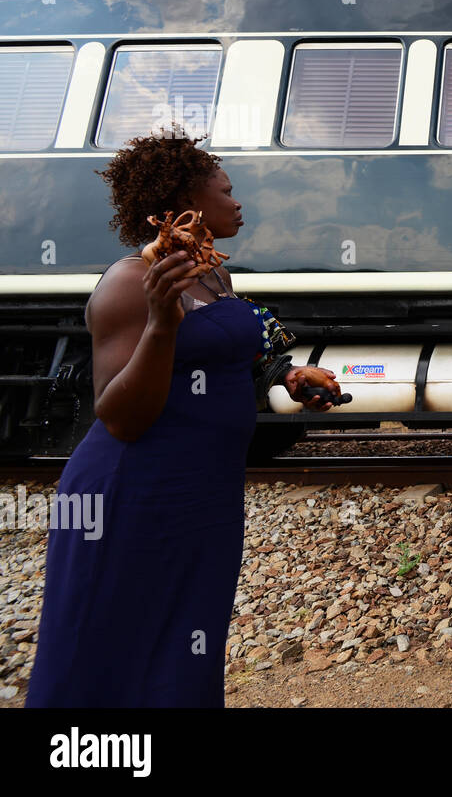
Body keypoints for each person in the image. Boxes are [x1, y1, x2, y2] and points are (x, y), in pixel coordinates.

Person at [26, 130, 339, 707]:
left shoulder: (215, 275)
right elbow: (119, 415)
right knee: (110, 638)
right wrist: (160, 324)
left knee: (186, 632)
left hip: (204, 492)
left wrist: (288, 376)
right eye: (226, 190)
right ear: (185, 203)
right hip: (134, 492)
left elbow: (234, 350)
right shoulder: (131, 284)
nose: (238, 201)